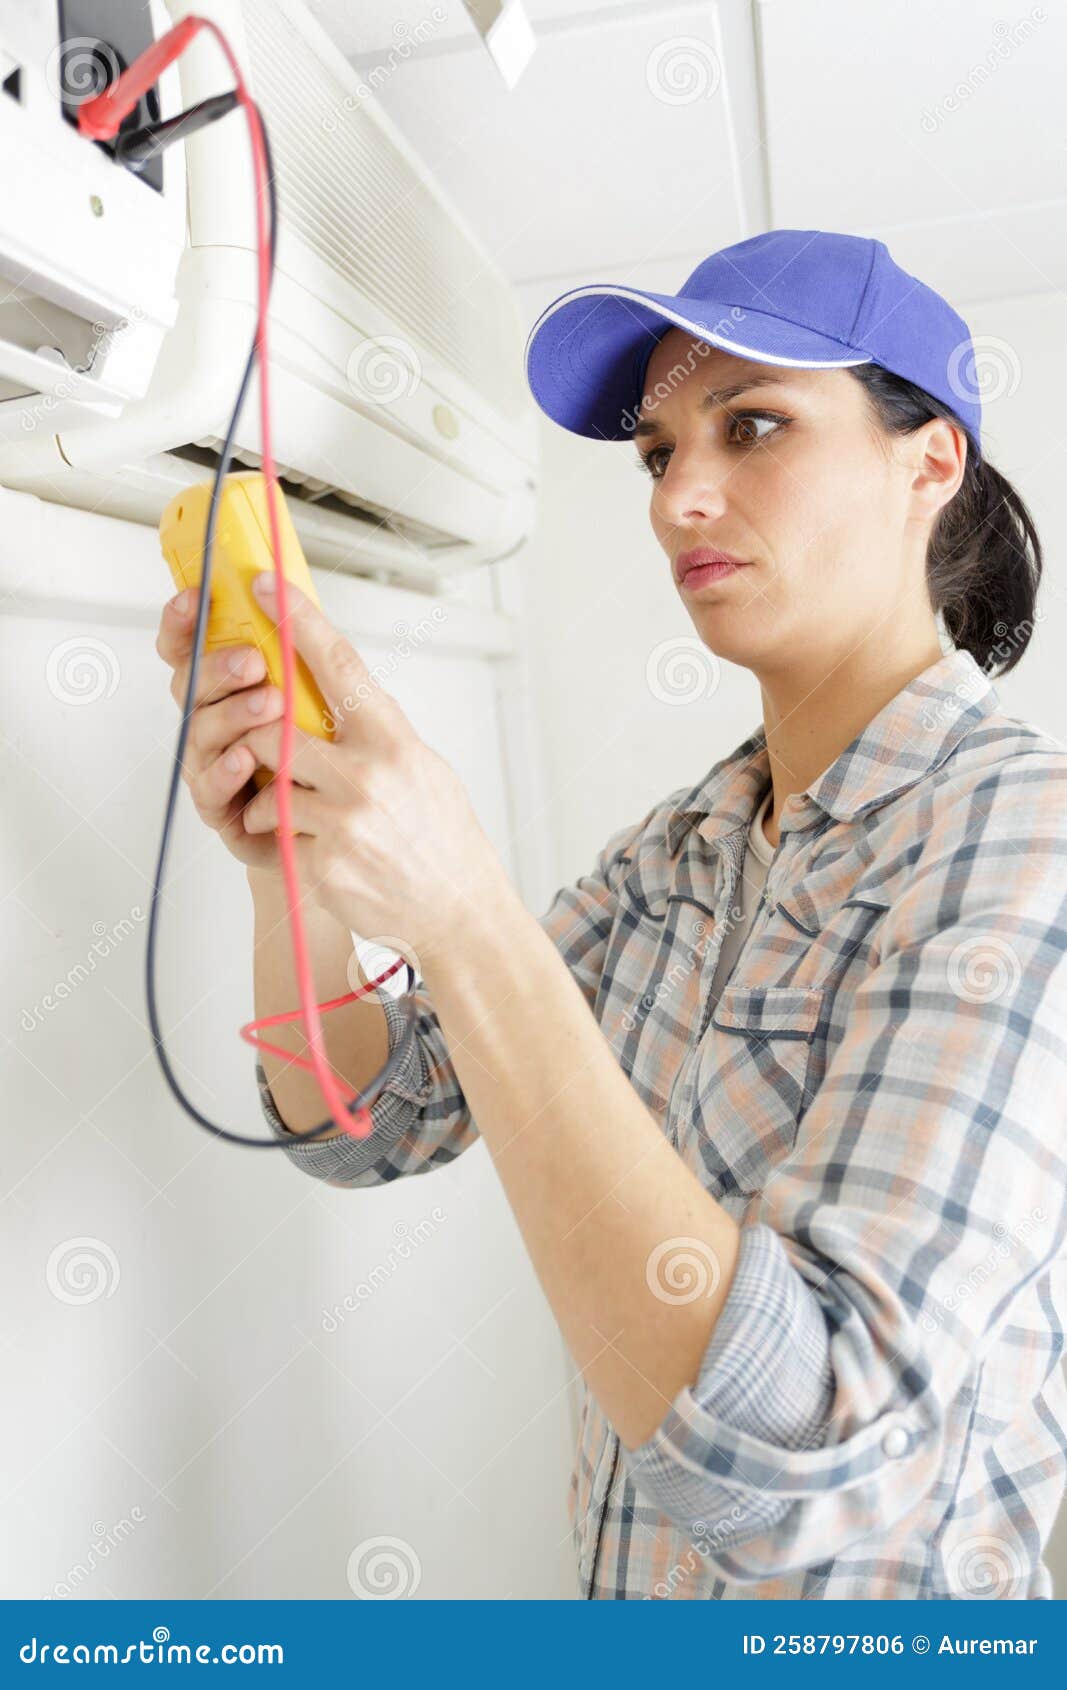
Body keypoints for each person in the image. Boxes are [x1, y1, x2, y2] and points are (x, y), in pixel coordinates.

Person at [155, 229, 1067, 1600]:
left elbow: (792, 1459)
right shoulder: (678, 853)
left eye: (752, 426)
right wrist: (292, 867)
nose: (679, 497)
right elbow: (369, 1115)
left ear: (928, 460)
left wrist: (466, 914)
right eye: (657, 453)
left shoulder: (1022, 841)